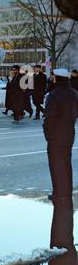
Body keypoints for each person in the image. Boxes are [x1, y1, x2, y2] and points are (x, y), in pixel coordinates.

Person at [43, 68, 78, 201]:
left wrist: (48, 134)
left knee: (56, 166)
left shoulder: (53, 95)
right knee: (66, 164)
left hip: (56, 136)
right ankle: (66, 192)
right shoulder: (74, 93)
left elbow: (50, 118)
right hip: (69, 134)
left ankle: (58, 193)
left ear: (56, 78)